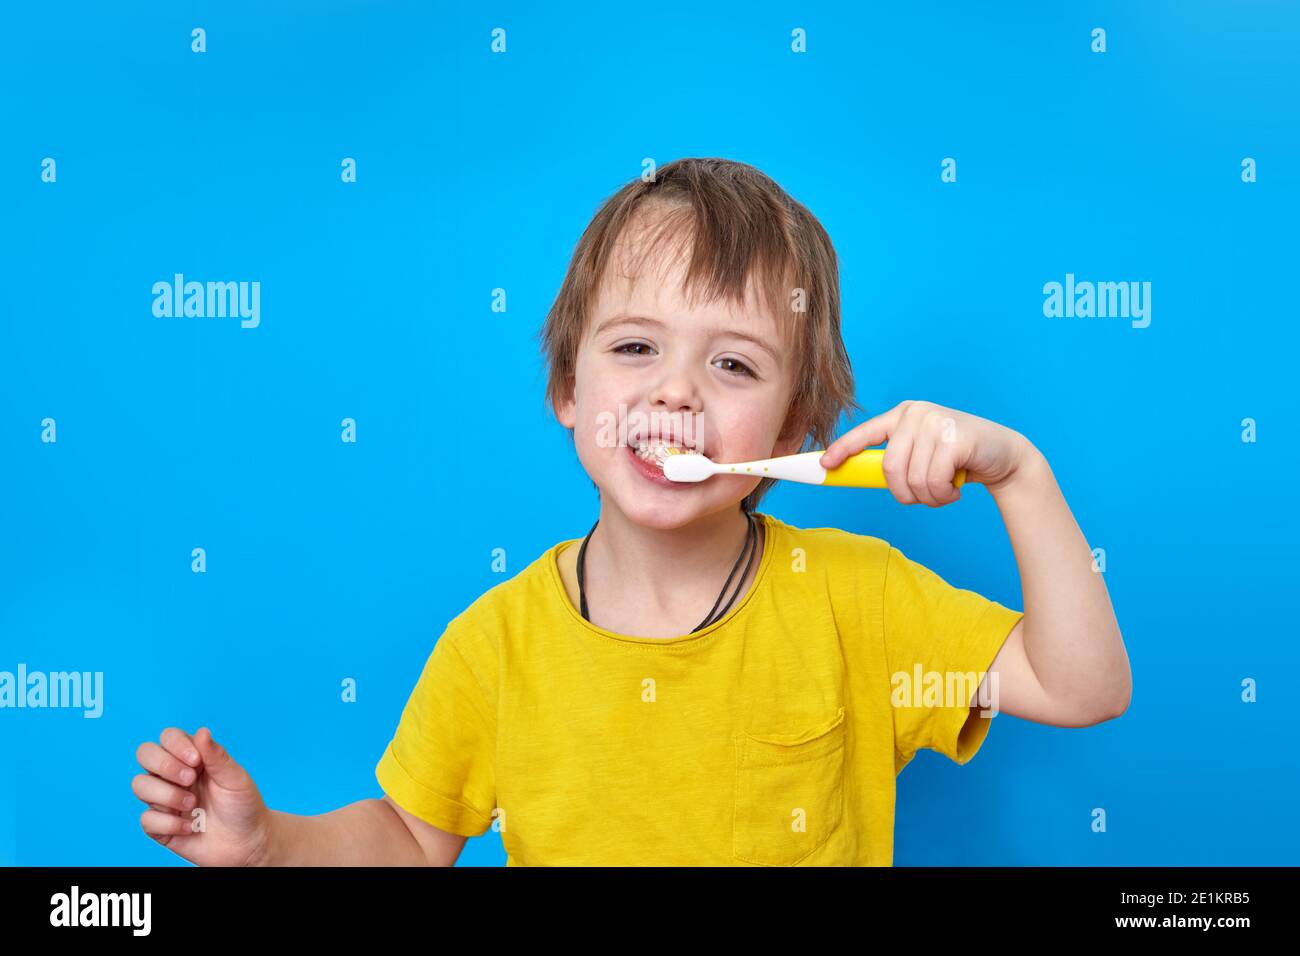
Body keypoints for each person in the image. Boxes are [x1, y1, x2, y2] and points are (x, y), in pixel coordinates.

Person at [132, 158, 1131, 866]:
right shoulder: (495, 648)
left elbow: (1079, 684)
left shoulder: (858, 601)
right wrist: (271, 847)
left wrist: (1021, 474)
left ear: (800, 425)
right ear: (568, 387)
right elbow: (403, 838)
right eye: (635, 347)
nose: (676, 393)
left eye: (732, 362)